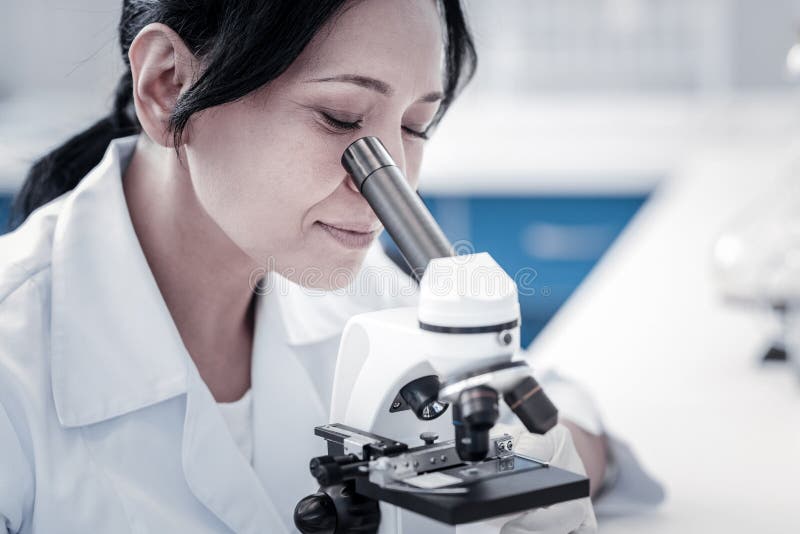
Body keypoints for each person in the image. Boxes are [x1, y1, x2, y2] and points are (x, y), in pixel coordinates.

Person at [0, 1, 600, 532]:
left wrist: (540, 463)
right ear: (168, 85)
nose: (389, 187)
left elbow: (538, 397)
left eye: (415, 126)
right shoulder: (14, 367)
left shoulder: (352, 293)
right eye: (341, 116)